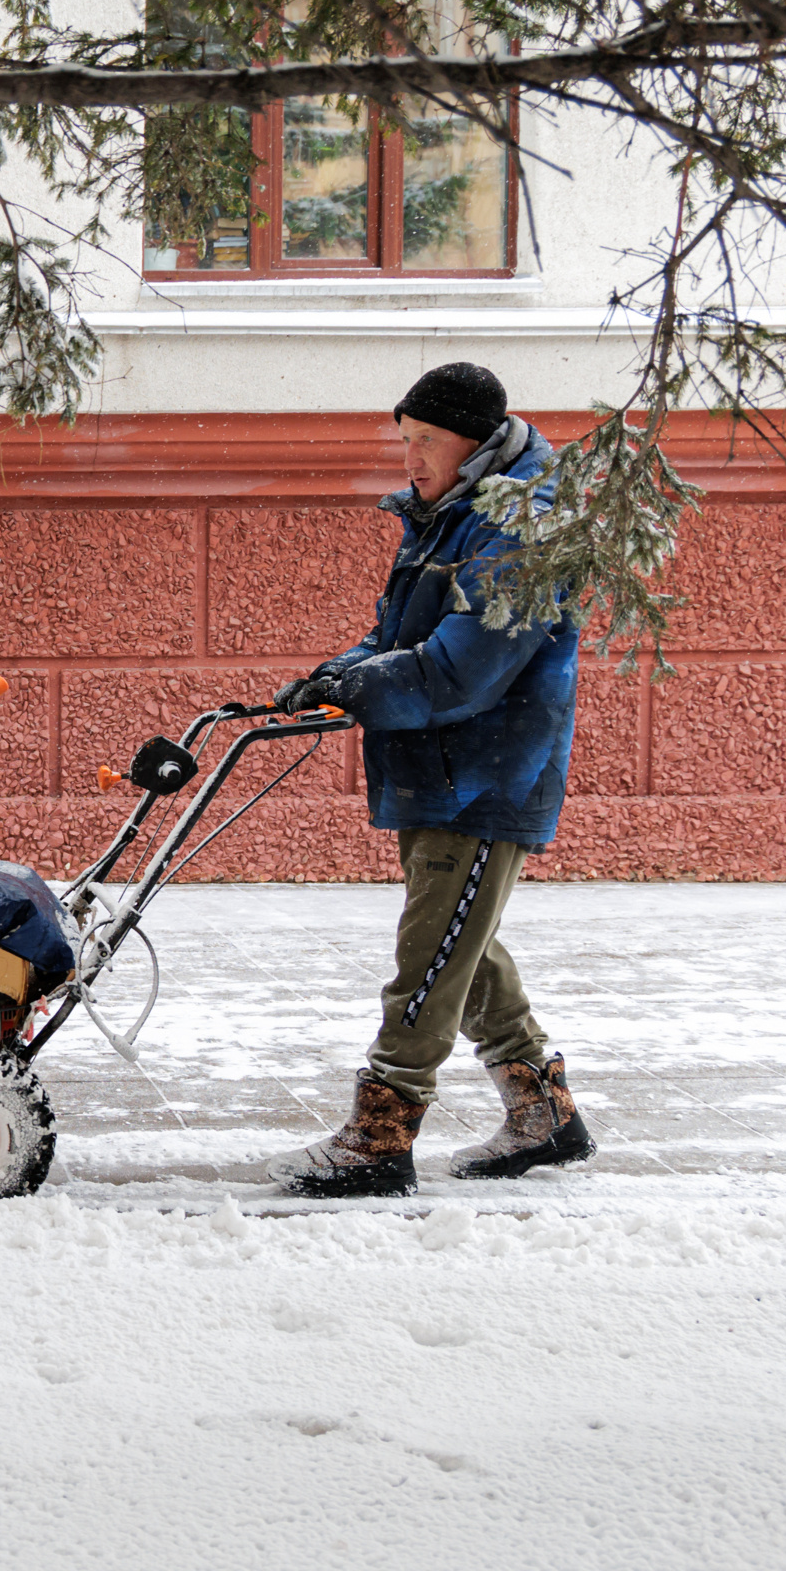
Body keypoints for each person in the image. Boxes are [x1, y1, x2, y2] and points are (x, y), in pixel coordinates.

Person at [267, 361, 595, 1197]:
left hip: (490, 774)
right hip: (441, 768)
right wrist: (332, 674)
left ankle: (383, 1130)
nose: (409, 459)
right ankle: (542, 1114)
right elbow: (395, 637)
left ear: (474, 442)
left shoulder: (523, 526)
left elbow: (466, 668)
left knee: (431, 952)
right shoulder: (449, 515)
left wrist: (362, 686)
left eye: (425, 442)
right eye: (404, 440)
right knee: (463, 943)